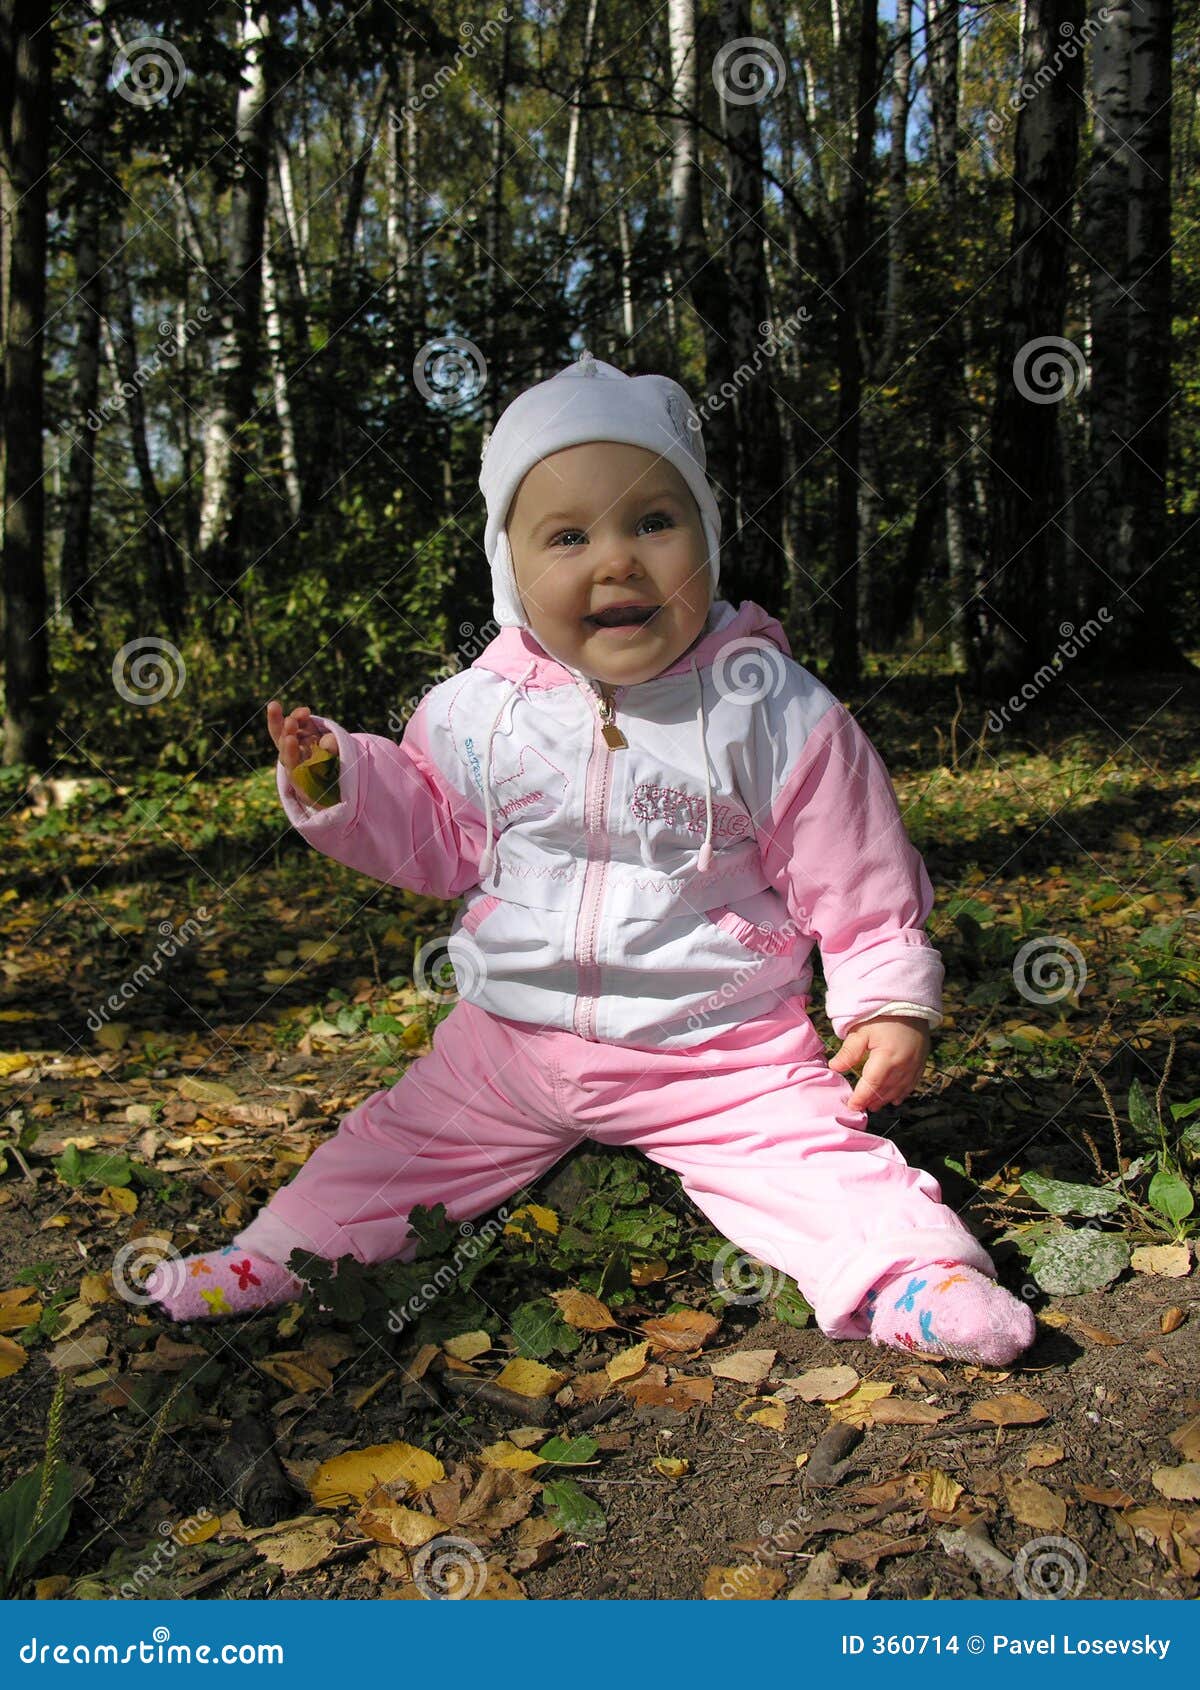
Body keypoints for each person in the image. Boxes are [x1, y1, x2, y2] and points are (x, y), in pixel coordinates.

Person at [146, 350, 1035, 1366]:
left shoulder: (767, 704)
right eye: (568, 536)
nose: (617, 562)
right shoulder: (477, 711)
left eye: (654, 522)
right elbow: (439, 836)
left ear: (707, 536)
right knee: (389, 1152)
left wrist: (887, 1002)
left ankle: (910, 1275)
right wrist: (341, 781)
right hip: (509, 1046)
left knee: (810, 1160)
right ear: (510, 570)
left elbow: (856, 872)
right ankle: (276, 1256)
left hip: (718, 1052)